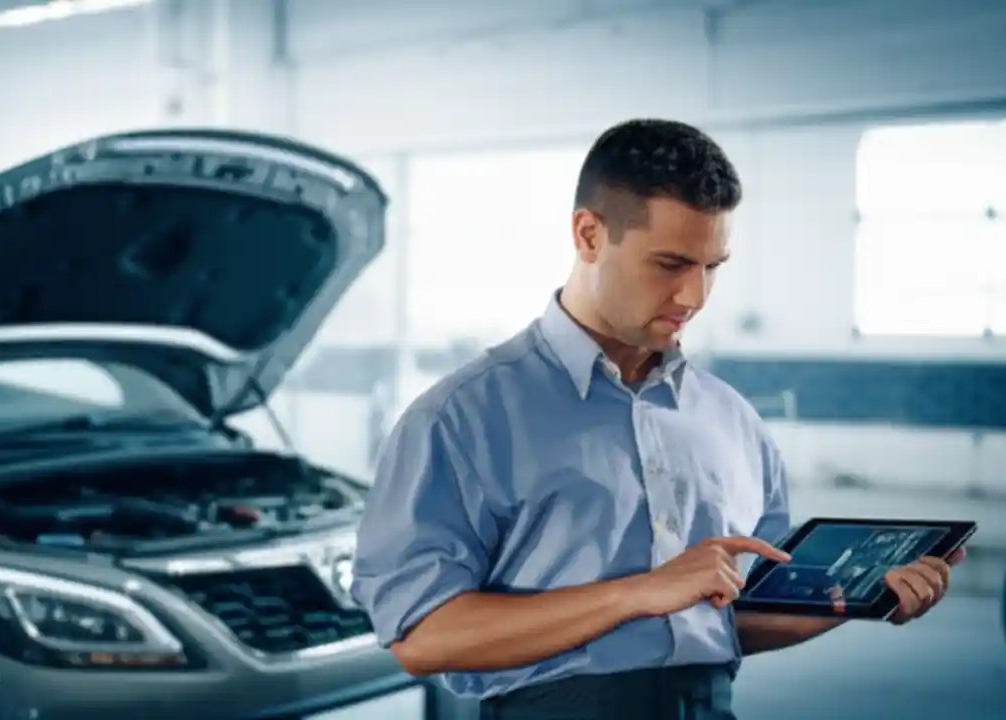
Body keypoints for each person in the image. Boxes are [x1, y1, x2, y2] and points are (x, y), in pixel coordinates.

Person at [350, 118, 966, 719]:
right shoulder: (463, 417)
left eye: (713, 267)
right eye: (670, 265)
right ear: (589, 235)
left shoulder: (732, 421)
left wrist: (857, 600)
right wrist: (638, 593)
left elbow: (729, 617)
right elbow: (423, 637)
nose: (695, 297)